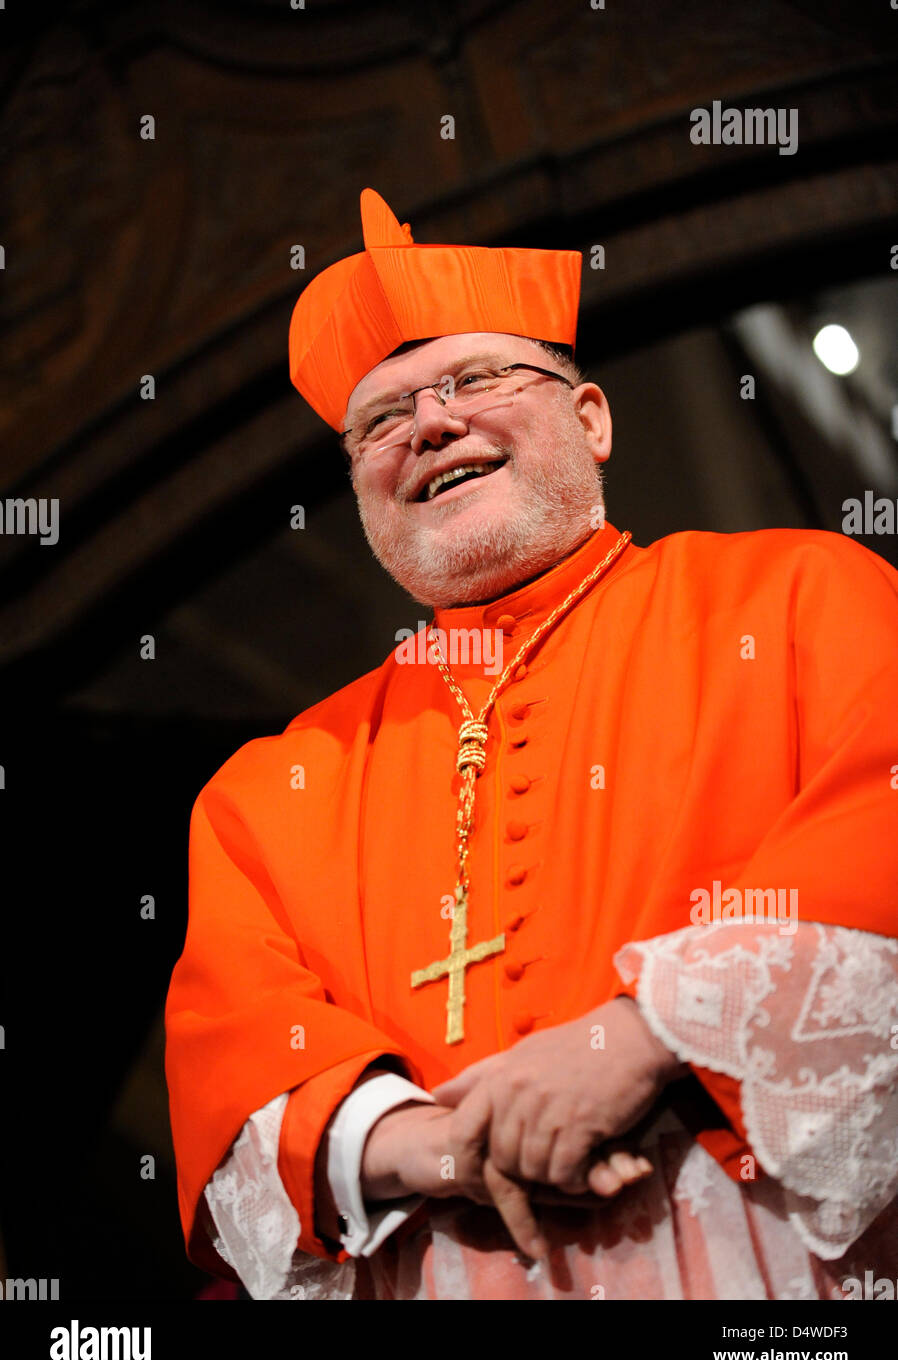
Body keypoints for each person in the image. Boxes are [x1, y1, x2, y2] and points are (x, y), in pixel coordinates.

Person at [165, 189, 898, 1301]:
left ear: (591, 418)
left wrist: (643, 1036)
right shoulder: (265, 791)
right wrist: (420, 1141)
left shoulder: (802, 596)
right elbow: (235, 1063)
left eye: (475, 380)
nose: (429, 423)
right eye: (381, 420)